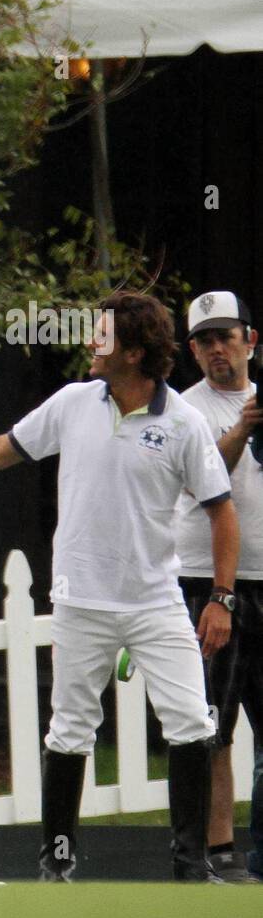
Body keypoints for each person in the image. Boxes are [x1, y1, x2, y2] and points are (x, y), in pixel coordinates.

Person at [0, 292, 237, 882]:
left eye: (103, 335)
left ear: (135, 352)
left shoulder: (184, 424)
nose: (91, 342)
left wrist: (221, 598)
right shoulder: (72, 403)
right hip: (80, 603)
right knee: (69, 730)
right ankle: (56, 865)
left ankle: (190, 866)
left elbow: (222, 513)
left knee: (192, 722)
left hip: (156, 603)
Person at [173, 291, 263, 882]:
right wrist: (241, 429)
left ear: (251, 340)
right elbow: (201, 480)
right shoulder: (186, 410)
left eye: (226, 337)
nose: (216, 351)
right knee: (214, 723)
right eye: (204, 341)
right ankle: (218, 851)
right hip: (210, 580)